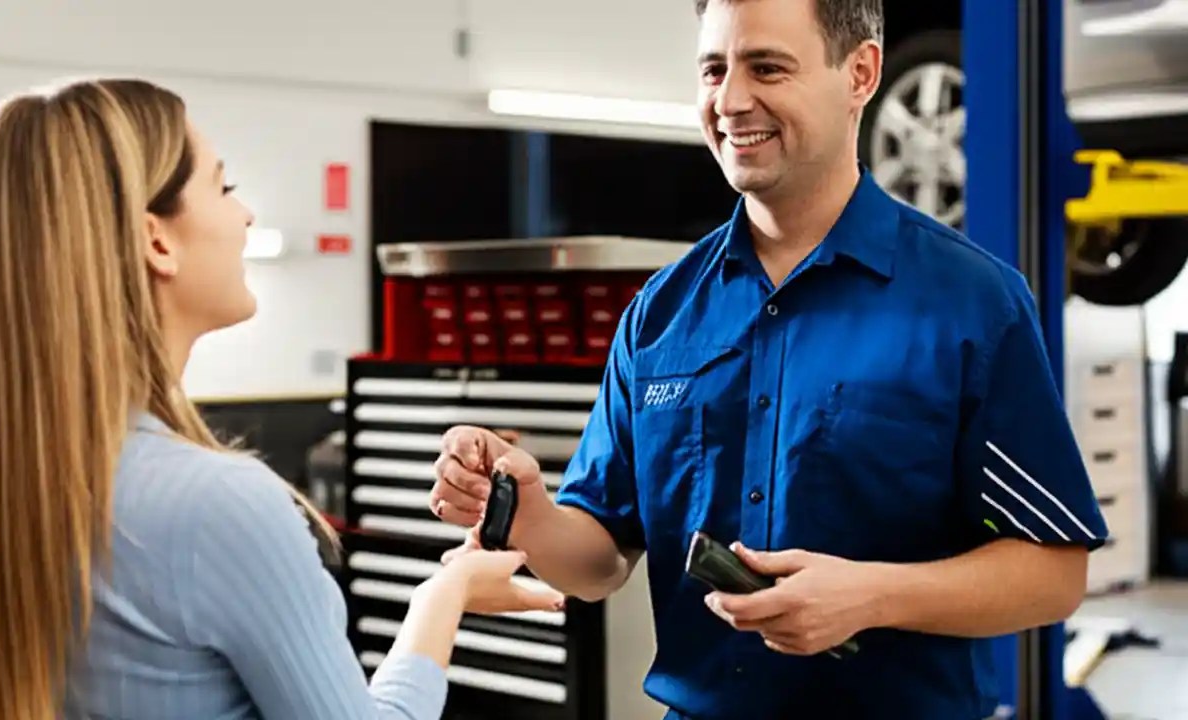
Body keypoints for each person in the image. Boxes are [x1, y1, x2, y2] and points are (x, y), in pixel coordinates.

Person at [430, 0, 1108, 717]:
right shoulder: (660, 314)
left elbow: (1054, 571)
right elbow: (599, 563)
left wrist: (872, 598)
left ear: (860, 74)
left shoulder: (971, 302)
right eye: (713, 69)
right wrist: (529, 513)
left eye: (767, 68)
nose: (729, 101)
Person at [0, 78, 563, 720]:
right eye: (222, 187)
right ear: (156, 241)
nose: (245, 215)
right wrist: (446, 596)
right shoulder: (218, 506)